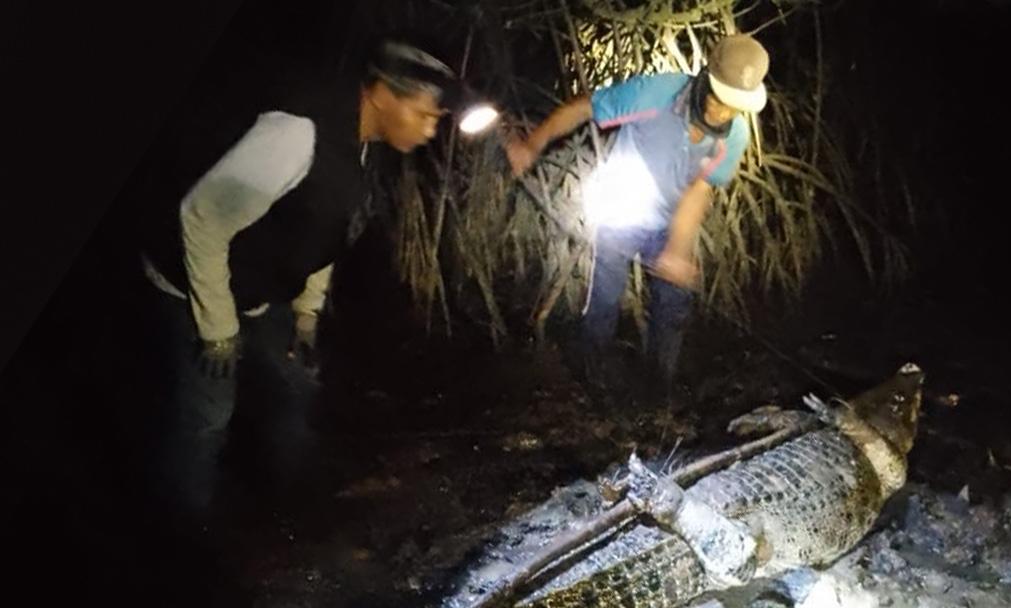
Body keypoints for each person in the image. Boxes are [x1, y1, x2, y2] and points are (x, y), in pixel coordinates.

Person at [135, 35, 461, 515]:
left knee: (296, 380)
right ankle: (180, 525)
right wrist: (219, 331)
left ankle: (293, 502)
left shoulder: (365, 147)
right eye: (425, 115)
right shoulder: (298, 133)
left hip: (260, 291)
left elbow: (327, 231)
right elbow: (202, 216)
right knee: (208, 414)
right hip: (189, 285)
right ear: (382, 94)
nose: (431, 131)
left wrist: (307, 312)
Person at [505, 34, 769, 403]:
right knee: (605, 299)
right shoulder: (655, 94)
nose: (723, 114)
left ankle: (659, 391)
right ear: (707, 77)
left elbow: (699, 190)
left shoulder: (735, 135)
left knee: (675, 303)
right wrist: (533, 144)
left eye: (734, 107)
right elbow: (586, 107)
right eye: (720, 100)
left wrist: (677, 251)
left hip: (669, 220)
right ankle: (591, 378)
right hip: (621, 208)